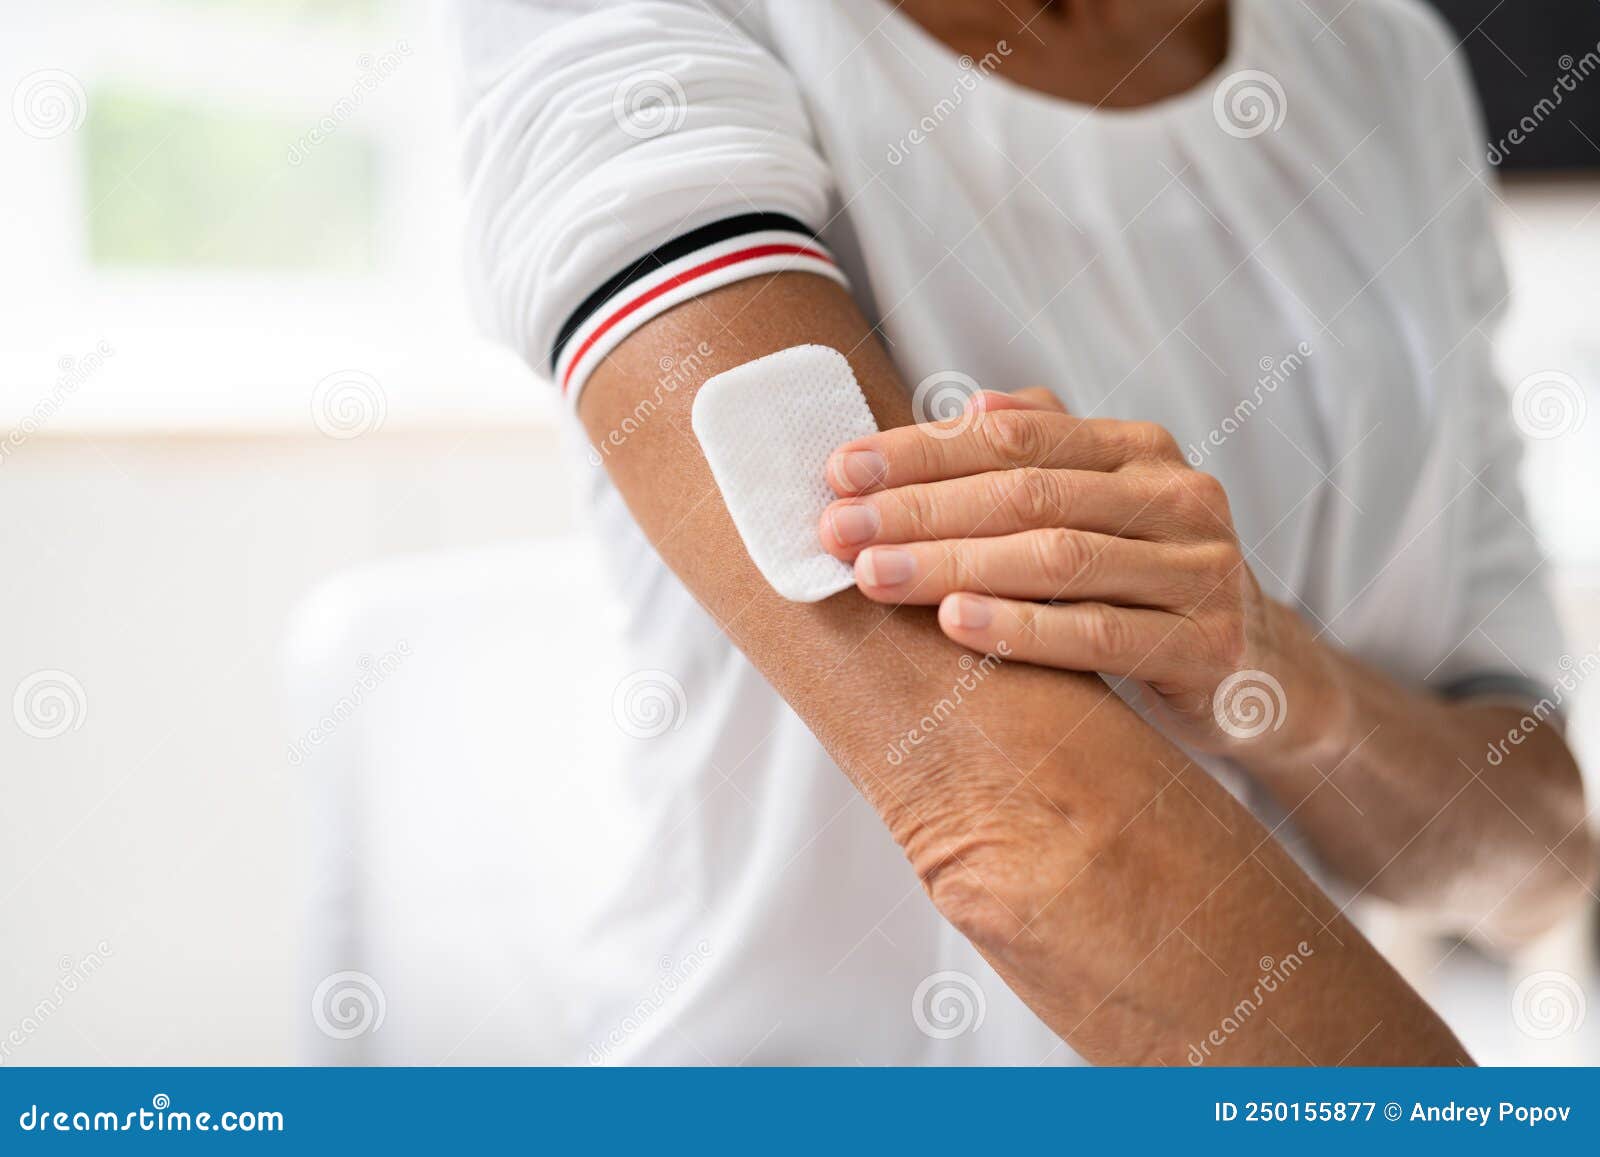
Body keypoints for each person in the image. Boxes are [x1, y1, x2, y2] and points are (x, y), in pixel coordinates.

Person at [458, 0, 1594, 1064]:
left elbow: (1538, 856)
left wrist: (1277, 679)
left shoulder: (1384, 56)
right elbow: (1023, 825)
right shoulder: (637, 27)